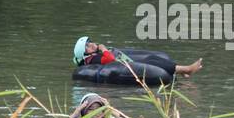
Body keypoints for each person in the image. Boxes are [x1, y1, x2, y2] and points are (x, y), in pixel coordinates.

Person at [72, 36, 203, 76]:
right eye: (88, 46)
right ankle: (186, 69)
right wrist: (103, 48)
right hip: (124, 69)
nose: (92, 44)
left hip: (125, 64)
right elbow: (110, 59)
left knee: (152, 58)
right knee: (151, 61)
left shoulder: (93, 56)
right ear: (85, 53)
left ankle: (182, 71)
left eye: (90, 42)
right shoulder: (93, 59)